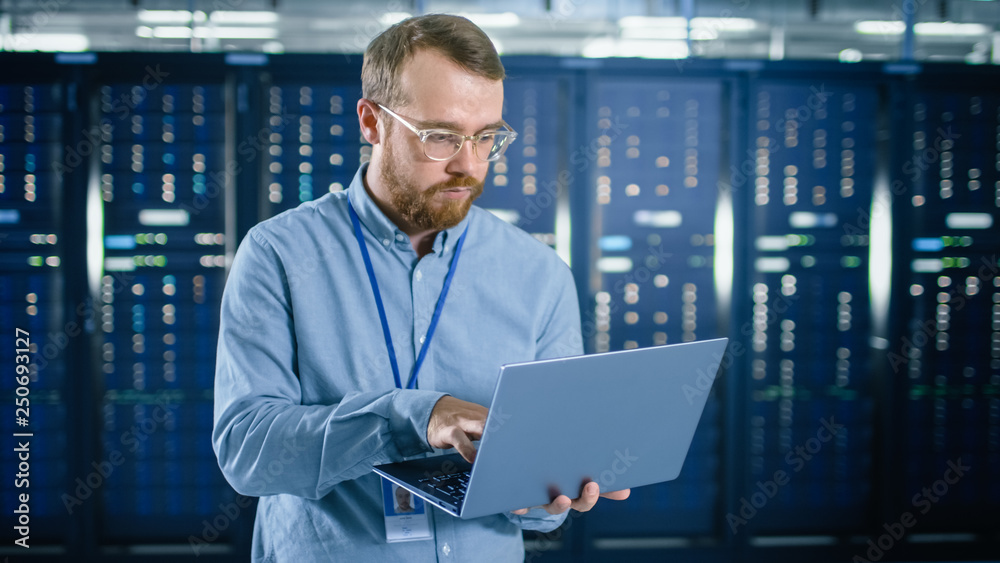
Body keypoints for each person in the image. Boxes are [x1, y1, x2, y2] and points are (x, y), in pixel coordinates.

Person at [213, 13, 628, 561]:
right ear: (371, 122)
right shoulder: (279, 254)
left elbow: (532, 505)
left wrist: (553, 488)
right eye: (441, 137)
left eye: (486, 137)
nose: (469, 165)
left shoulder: (538, 273)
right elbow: (248, 453)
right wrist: (416, 418)